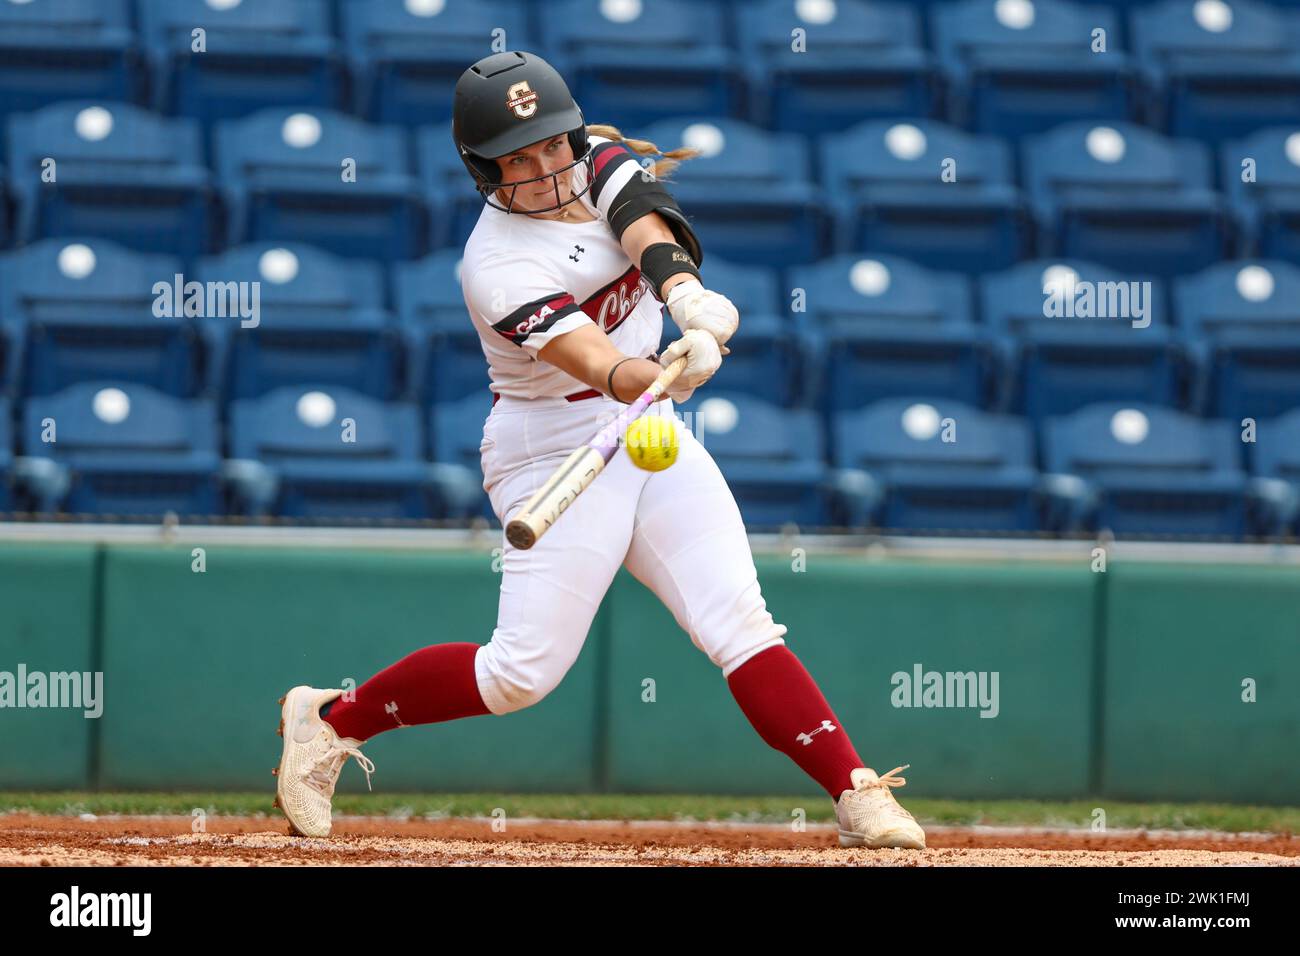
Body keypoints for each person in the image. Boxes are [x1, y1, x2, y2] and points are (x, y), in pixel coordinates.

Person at [274, 50, 925, 851]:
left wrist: (683, 294)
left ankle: (855, 791)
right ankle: (331, 721)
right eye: (521, 158)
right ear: (484, 170)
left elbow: (642, 226)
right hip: (549, 444)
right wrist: (657, 374)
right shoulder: (497, 264)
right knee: (518, 676)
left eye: (553, 144)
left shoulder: (596, 163)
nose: (547, 170)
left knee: (739, 621)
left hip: (649, 435)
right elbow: (591, 360)